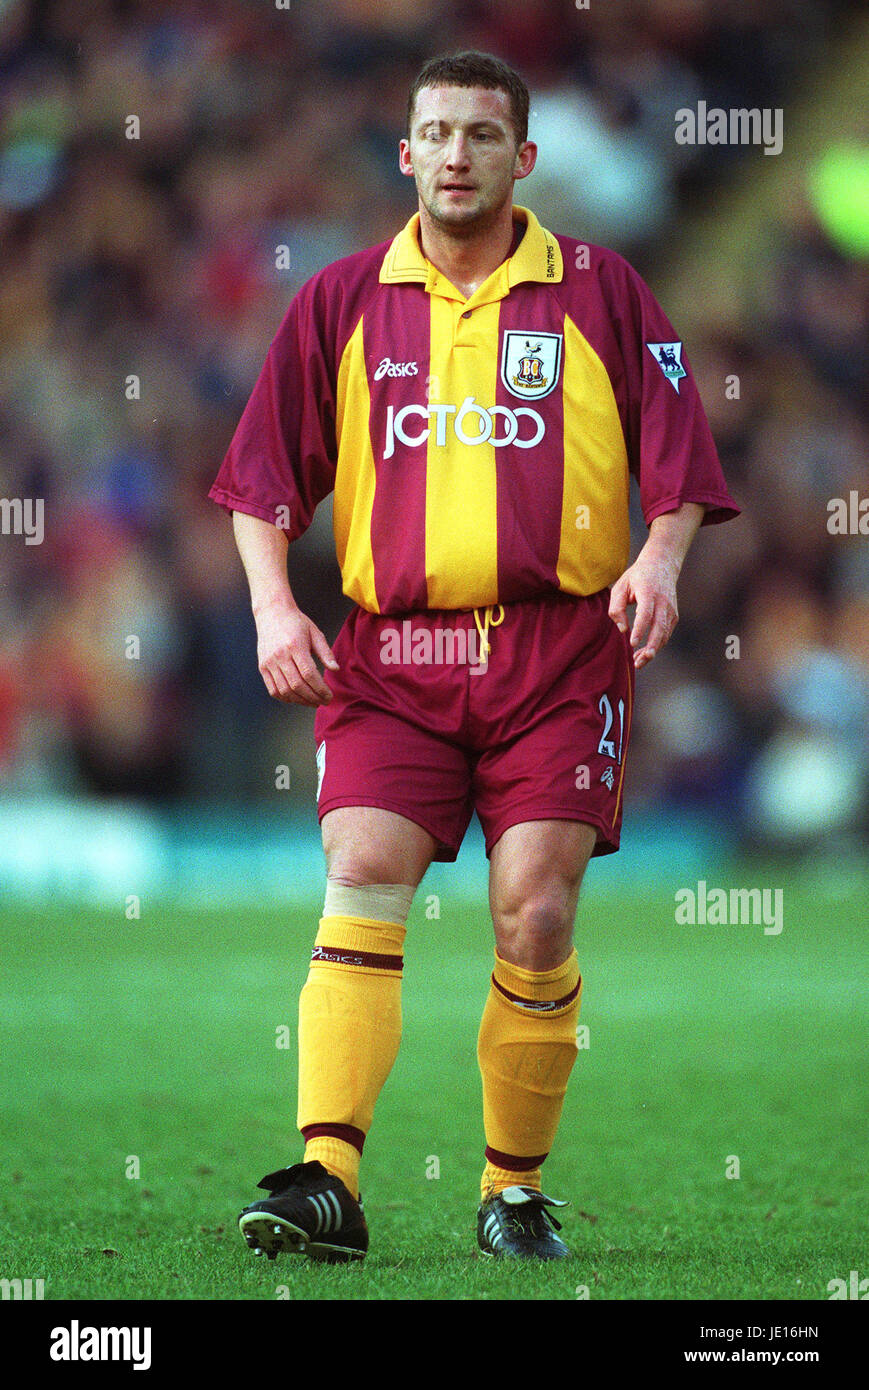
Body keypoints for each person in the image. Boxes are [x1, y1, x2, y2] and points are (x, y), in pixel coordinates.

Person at [209, 50, 739, 1263]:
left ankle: (509, 1192)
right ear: (404, 154)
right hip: (392, 653)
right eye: (434, 134)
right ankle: (324, 1178)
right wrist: (273, 613)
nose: (455, 155)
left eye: (480, 136)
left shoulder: (602, 295)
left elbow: (681, 468)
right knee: (362, 868)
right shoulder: (341, 300)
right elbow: (258, 484)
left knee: (535, 912)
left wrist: (656, 562)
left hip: (556, 653)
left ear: (523, 159)